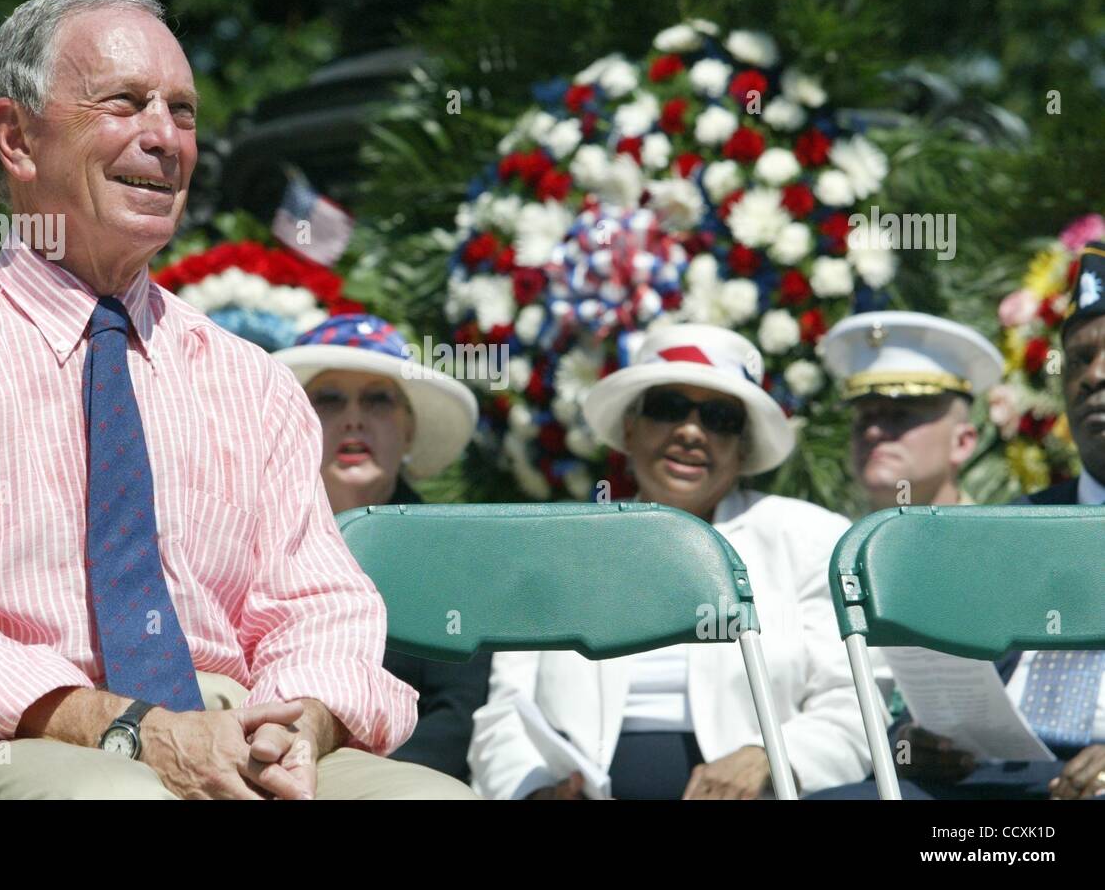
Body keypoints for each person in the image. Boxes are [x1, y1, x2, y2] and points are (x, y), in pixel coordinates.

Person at [0, 0, 475, 800]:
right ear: (16, 137)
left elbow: (321, 609)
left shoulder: (252, 381)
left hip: (234, 720)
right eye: (124, 103)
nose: (166, 138)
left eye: (185, 112)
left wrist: (302, 723)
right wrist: (134, 731)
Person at [468, 325, 873, 799]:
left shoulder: (807, 537)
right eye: (668, 408)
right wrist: (536, 789)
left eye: (719, 418)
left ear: (743, 447)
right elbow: (505, 713)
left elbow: (854, 703)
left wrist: (774, 758)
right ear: (630, 427)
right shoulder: (557, 544)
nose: (690, 432)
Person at [811, 247, 1105, 800]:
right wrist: (914, 741)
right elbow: (937, 690)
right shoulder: (1008, 527)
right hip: (990, 778)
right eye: (1080, 358)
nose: (1095, 375)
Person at [273, 313, 491, 782]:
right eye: (329, 400)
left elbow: (460, 712)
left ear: (408, 431)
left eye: (377, 400)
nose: (354, 418)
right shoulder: (253, 537)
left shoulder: (453, 556)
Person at [820, 311, 1003, 510]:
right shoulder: (826, 540)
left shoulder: (999, 541)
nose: (873, 432)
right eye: (865, 417)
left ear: (961, 443)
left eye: (901, 416)